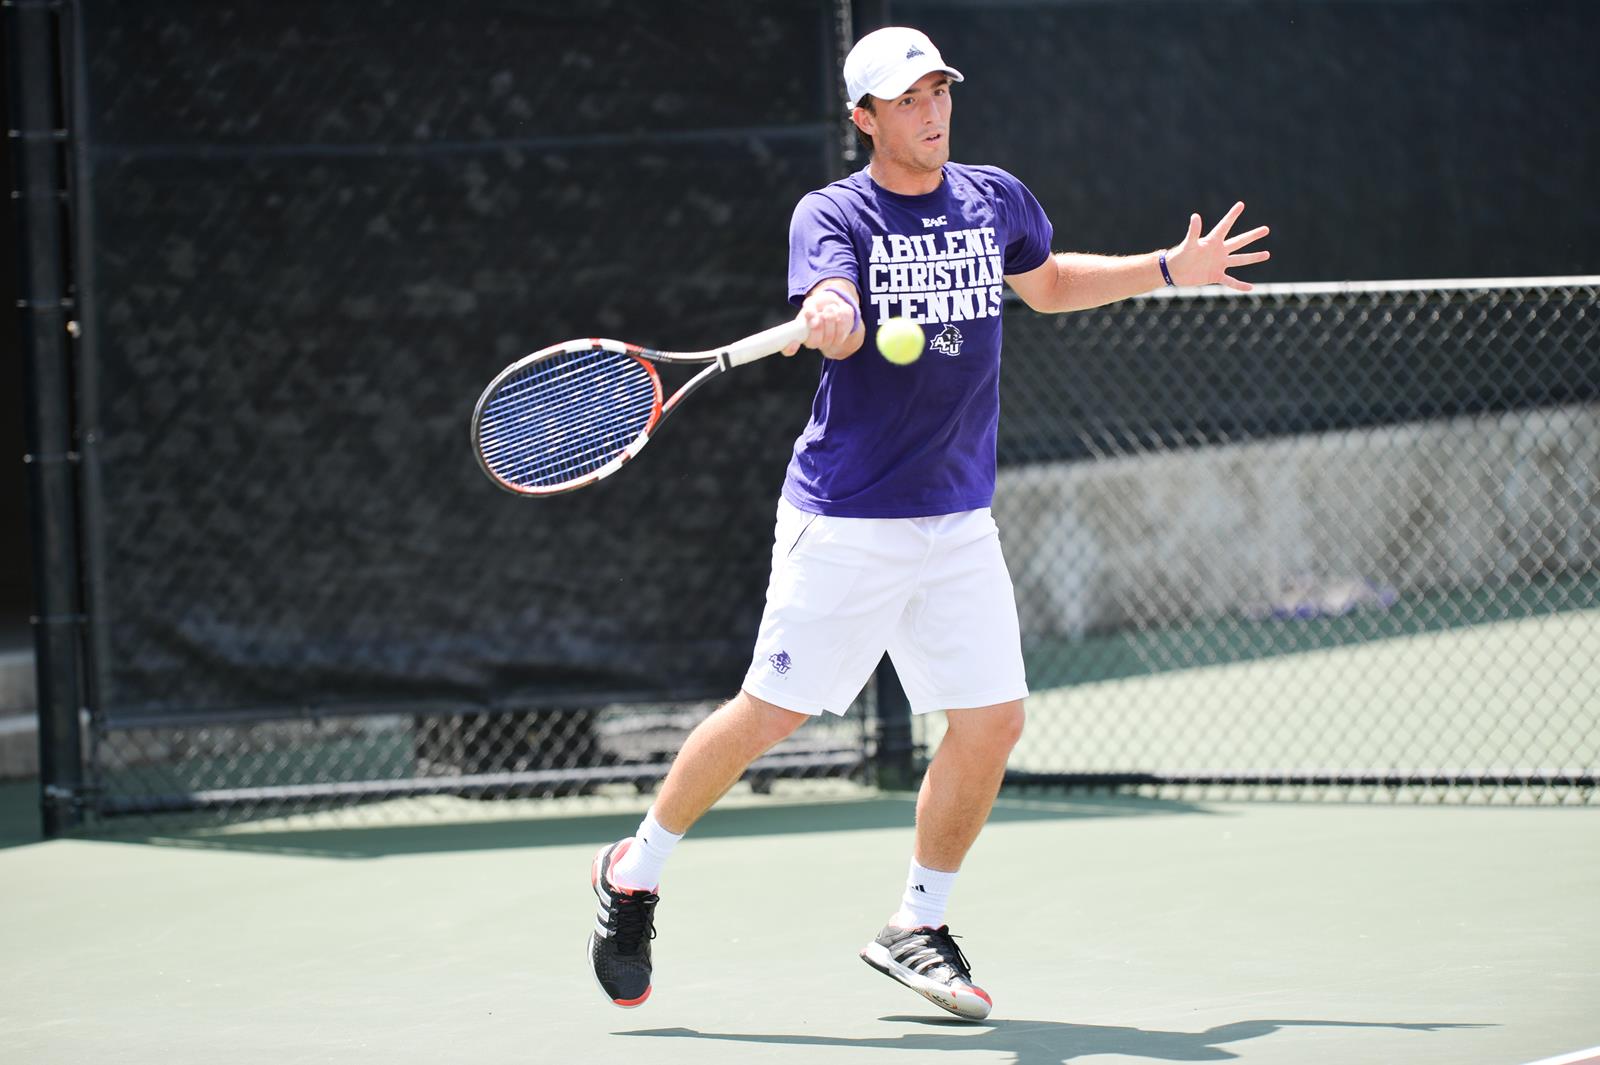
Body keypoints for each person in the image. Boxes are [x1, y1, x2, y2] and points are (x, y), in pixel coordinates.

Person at [586, 25, 1270, 1019]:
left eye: (939, 91)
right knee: (767, 717)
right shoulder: (834, 212)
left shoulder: (993, 197)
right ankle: (633, 870)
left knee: (991, 721)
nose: (932, 110)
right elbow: (831, 295)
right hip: (847, 520)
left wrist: (1166, 267)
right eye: (907, 99)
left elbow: (1047, 286)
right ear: (864, 118)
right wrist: (830, 313)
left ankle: (916, 922)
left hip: (955, 519)